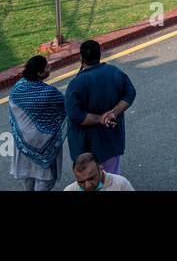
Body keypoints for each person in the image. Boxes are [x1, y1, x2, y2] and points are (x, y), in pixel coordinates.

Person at [64, 40, 136, 176]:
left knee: (90, 180)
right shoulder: (115, 72)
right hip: (111, 139)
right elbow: (130, 93)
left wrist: (99, 119)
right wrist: (113, 113)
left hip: (85, 145)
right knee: (112, 177)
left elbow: (75, 115)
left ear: (81, 58)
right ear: (99, 54)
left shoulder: (76, 83)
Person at [8, 56, 67, 191]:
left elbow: (13, 114)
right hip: (44, 145)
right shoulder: (49, 93)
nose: (50, 67)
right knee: (45, 180)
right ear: (39, 73)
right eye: (47, 66)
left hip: (23, 143)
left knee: (28, 176)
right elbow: (66, 106)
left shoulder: (17, 88)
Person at [64, 152, 134, 192]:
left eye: (91, 178)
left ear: (100, 167)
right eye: (81, 182)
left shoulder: (121, 185)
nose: (87, 186)